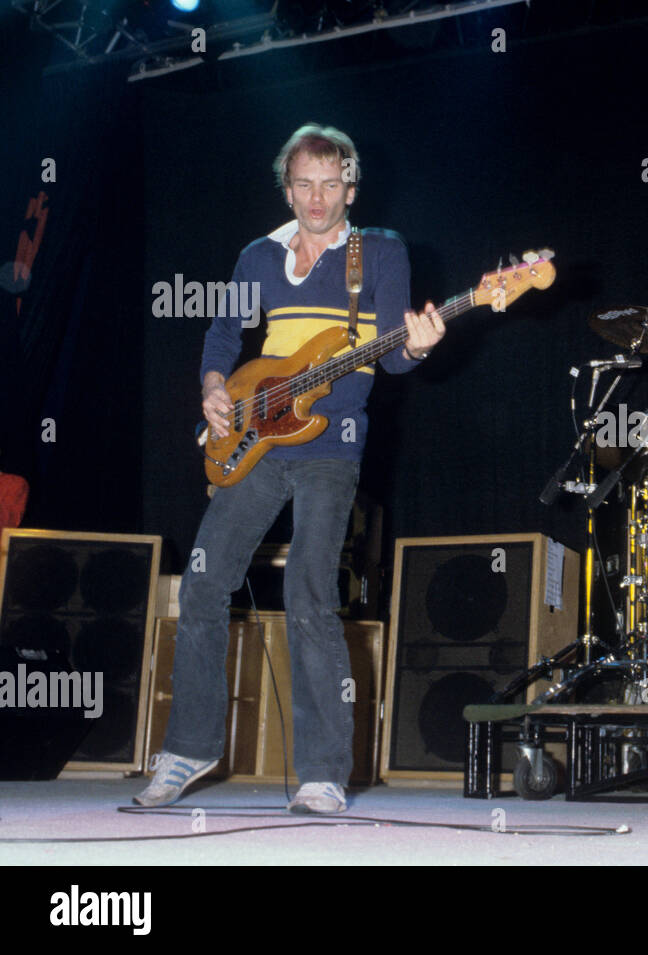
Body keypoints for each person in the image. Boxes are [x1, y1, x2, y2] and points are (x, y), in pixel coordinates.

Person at [135, 124, 445, 814]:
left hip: (331, 442)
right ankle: (187, 748)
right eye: (304, 183)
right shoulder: (257, 256)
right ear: (288, 186)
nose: (316, 197)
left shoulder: (381, 253)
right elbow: (223, 336)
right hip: (255, 434)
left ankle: (323, 773)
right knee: (205, 581)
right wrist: (216, 388)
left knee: (309, 593)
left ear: (350, 188)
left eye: (330, 184)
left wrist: (419, 347)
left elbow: (391, 356)